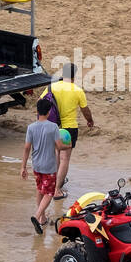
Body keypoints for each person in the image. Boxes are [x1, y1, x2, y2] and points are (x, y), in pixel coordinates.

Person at [48, 64, 94, 199]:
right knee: (64, 159)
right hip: (68, 129)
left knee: (56, 155)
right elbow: (85, 109)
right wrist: (90, 120)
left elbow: (41, 103)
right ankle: (57, 190)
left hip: (53, 127)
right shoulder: (77, 90)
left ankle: (52, 185)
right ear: (75, 75)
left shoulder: (52, 87)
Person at [20, 97, 63, 234]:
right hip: (49, 166)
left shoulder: (31, 127)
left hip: (36, 165)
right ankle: (37, 215)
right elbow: (59, 146)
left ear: (37, 111)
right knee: (49, 193)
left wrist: (23, 167)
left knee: (40, 189)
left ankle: (42, 218)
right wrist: (67, 145)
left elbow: (27, 148)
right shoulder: (53, 127)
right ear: (49, 112)